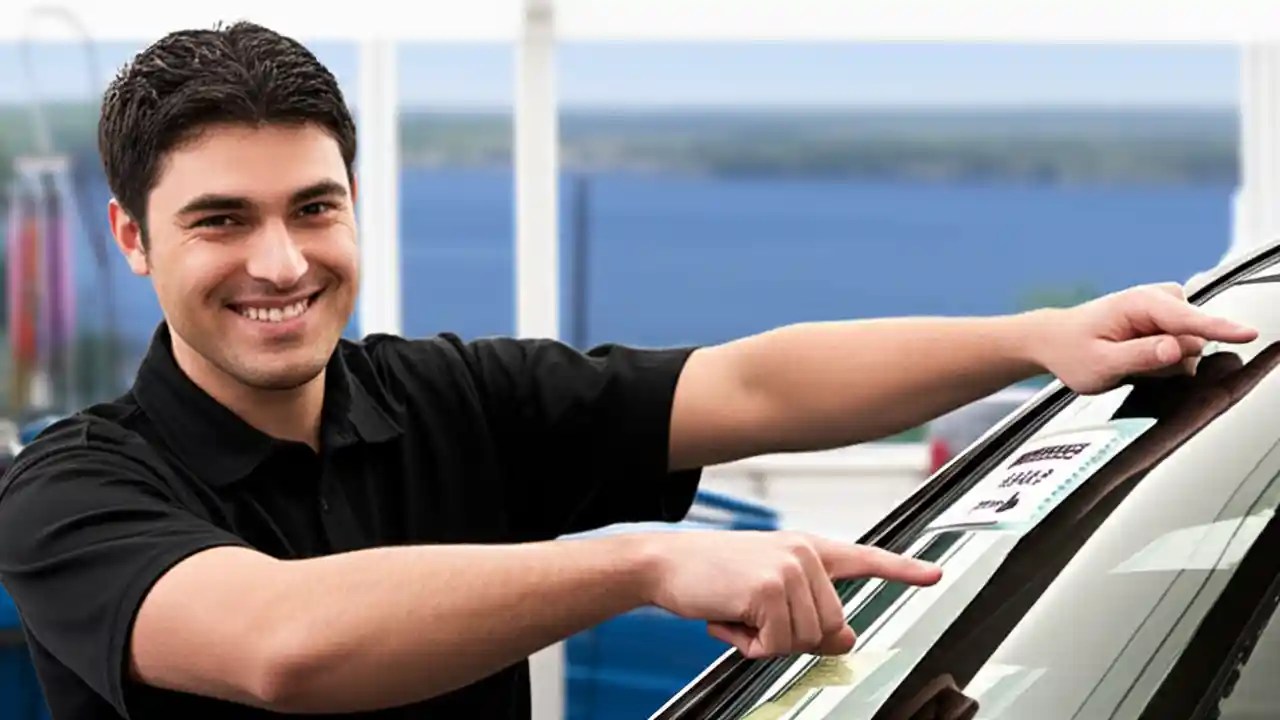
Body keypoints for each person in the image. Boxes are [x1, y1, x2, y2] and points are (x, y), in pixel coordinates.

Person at [0, 21, 1257, 720]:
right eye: (221, 220)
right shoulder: (73, 491)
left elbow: (751, 387)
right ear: (131, 236)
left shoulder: (443, 397)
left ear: (354, 206)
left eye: (313, 208)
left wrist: (1031, 339)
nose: (281, 261)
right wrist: (642, 560)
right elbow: (280, 643)